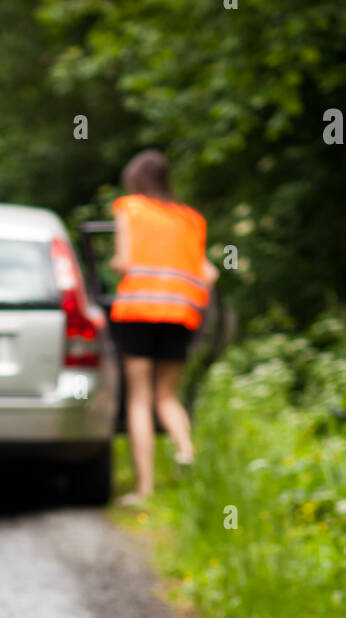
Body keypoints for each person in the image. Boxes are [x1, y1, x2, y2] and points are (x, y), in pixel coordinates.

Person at [108, 149, 218, 504]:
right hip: (180, 315)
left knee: (139, 399)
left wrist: (115, 264)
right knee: (167, 395)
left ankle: (145, 489)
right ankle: (185, 449)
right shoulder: (190, 219)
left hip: (138, 310)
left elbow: (124, 262)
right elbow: (209, 273)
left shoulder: (131, 208)